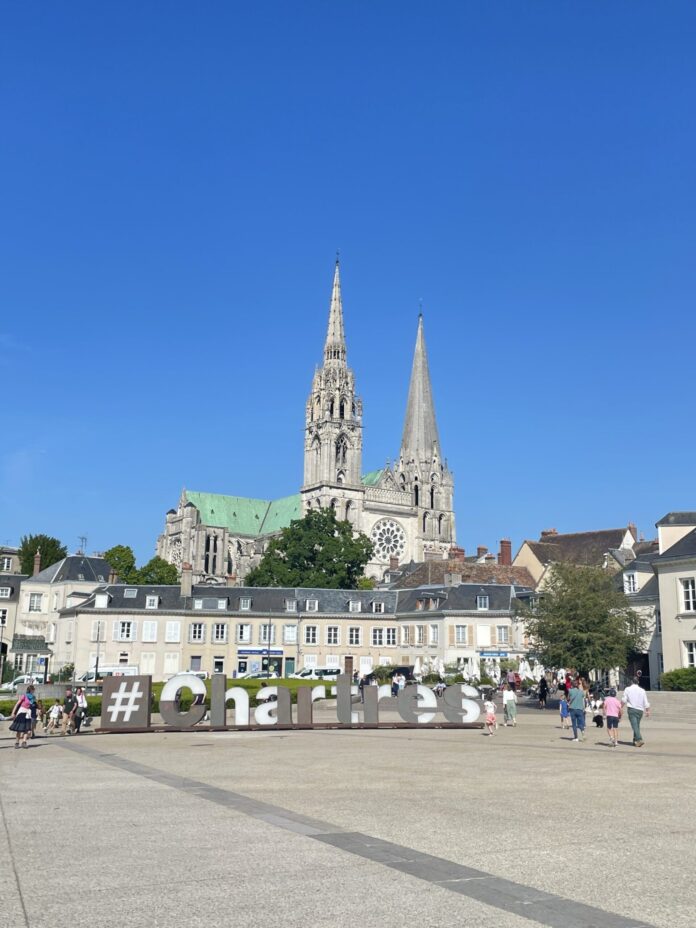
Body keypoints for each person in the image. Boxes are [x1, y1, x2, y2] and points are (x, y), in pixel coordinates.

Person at [622, 677, 651, 747]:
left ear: (631, 682)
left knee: (634, 725)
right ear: (638, 682)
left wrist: (620, 707)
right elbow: (646, 702)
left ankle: (639, 739)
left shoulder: (627, 689)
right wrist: (647, 710)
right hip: (640, 710)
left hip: (632, 709)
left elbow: (624, 700)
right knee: (636, 725)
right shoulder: (642, 690)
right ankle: (635, 741)